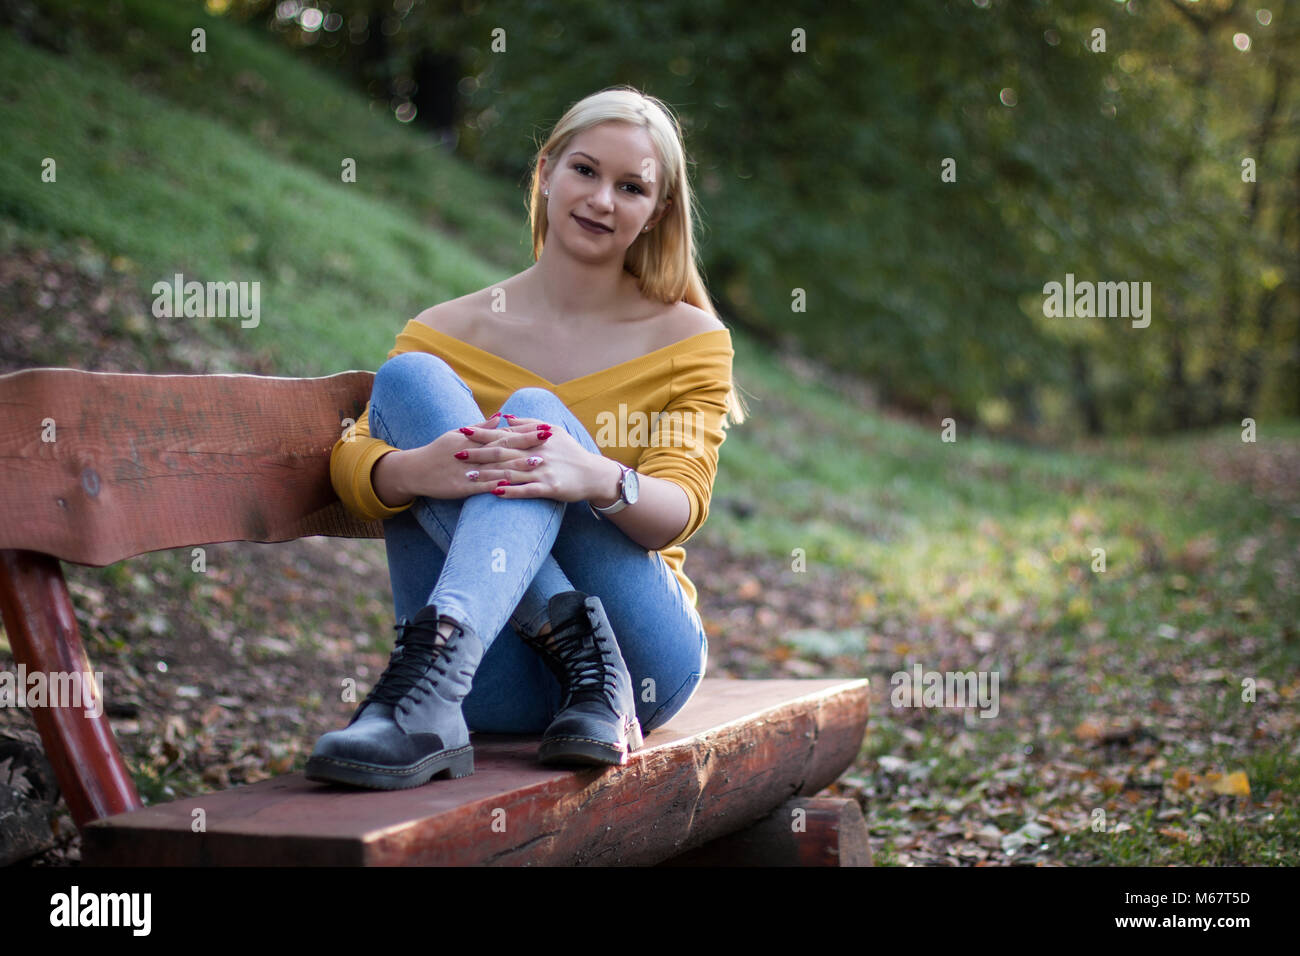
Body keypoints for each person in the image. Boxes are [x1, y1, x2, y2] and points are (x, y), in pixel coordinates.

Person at [306, 85, 746, 790]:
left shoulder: (689, 340)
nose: (602, 199)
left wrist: (595, 476)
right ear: (546, 172)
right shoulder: (447, 331)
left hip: (641, 668)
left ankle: (542, 673)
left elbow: (682, 505)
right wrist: (422, 470)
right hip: (490, 677)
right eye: (585, 171)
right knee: (412, 379)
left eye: (630, 186)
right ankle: (450, 672)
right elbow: (353, 462)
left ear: (656, 211)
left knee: (533, 407)